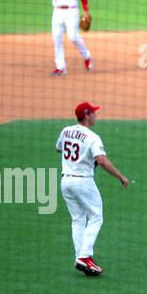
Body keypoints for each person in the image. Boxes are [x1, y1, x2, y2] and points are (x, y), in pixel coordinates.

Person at [55, 102, 129, 276]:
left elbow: (59, 148)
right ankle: (84, 256)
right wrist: (121, 176)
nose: (96, 115)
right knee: (96, 217)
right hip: (83, 182)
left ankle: (80, 257)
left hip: (66, 182)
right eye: (94, 113)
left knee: (78, 219)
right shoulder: (92, 137)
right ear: (87, 116)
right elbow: (102, 160)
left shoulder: (66, 130)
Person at [40, 0, 92, 76]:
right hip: (57, 11)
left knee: (73, 36)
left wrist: (85, 9)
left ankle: (87, 57)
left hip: (72, 11)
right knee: (56, 38)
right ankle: (61, 67)